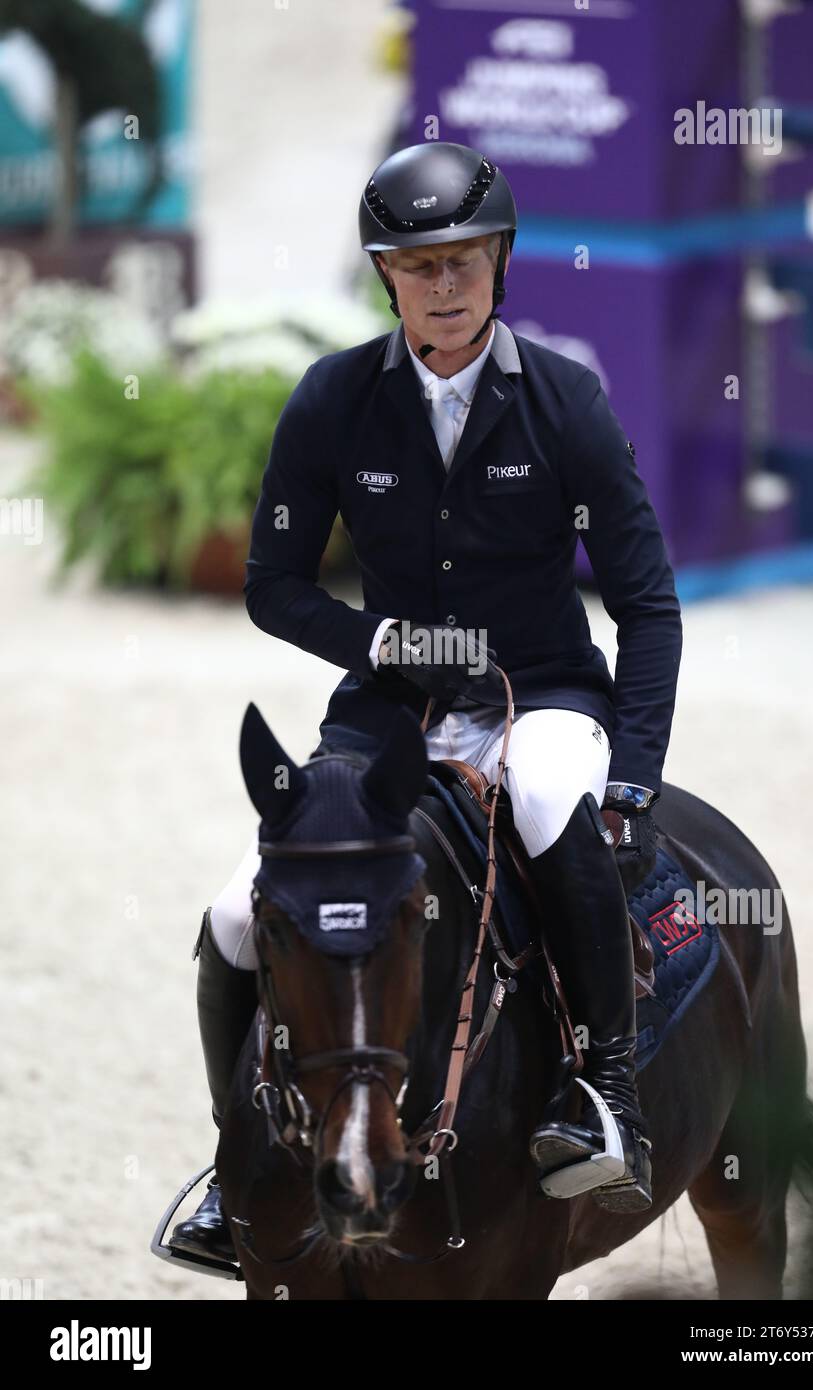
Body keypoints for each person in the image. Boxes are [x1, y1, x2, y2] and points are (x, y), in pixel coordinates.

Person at [168, 141, 682, 1263]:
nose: (442, 285)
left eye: (461, 260)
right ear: (384, 278)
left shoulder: (566, 401)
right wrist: (376, 638)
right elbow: (272, 585)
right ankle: (233, 1160)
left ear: (499, 261)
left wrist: (631, 774)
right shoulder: (334, 400)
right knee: (231, 916)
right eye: (416, 265)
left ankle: (603, 1093)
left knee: (547, 796)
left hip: (537, 693)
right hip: (385, 711)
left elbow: (648, 607)